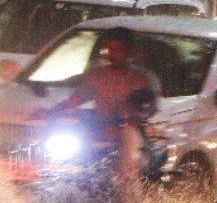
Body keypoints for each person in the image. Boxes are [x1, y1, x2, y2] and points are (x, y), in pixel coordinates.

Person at [34, 27, 161, 181]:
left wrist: (132, 119)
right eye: (109, 49)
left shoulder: (142, 79)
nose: (112, 54)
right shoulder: (97, 76)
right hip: (100, 131)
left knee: (134, 168)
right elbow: (74, 100)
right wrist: (50, 113)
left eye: (118, 49)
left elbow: (151, 107)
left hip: (129, 134)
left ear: (129, 52)